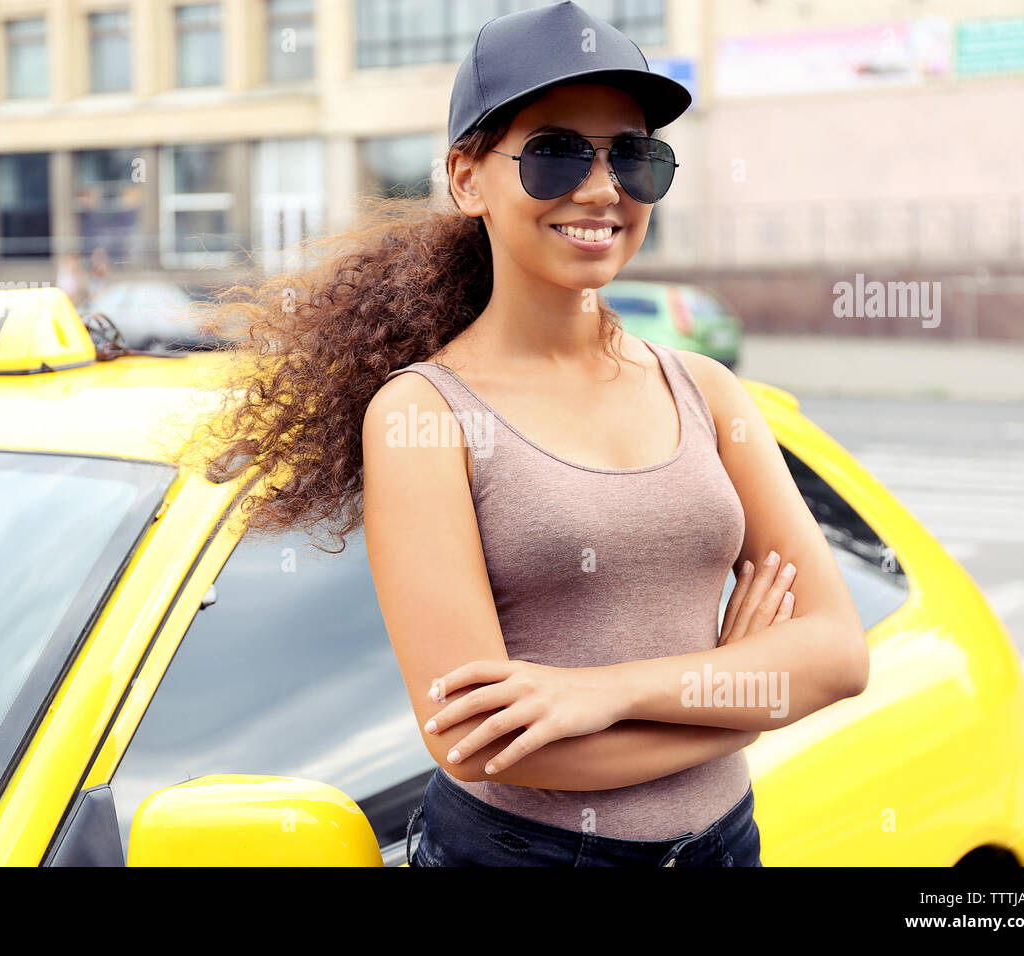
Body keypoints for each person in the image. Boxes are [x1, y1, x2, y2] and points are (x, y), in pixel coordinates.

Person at [187, 1, 868, 866]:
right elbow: (479, 742)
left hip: (726, 846)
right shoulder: (425, 415)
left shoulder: (707, 389)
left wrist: (607, 693)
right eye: (553, 153)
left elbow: (838, 654)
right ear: (467, 178)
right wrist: (741, 690)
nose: (601, 187)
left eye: (634, 154)